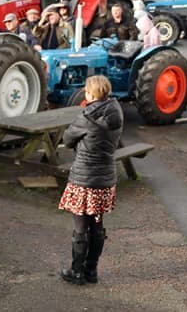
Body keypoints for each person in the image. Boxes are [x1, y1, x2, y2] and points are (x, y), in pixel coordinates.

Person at [58, 76, 123, 285]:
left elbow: (67, 140)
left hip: (84, 178)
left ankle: (76, 272)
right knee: (97, 225)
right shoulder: (116, 111)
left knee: (80, 226)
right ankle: (91, 271)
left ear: (91, 94)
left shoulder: (86, 116)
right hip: (104, 178)